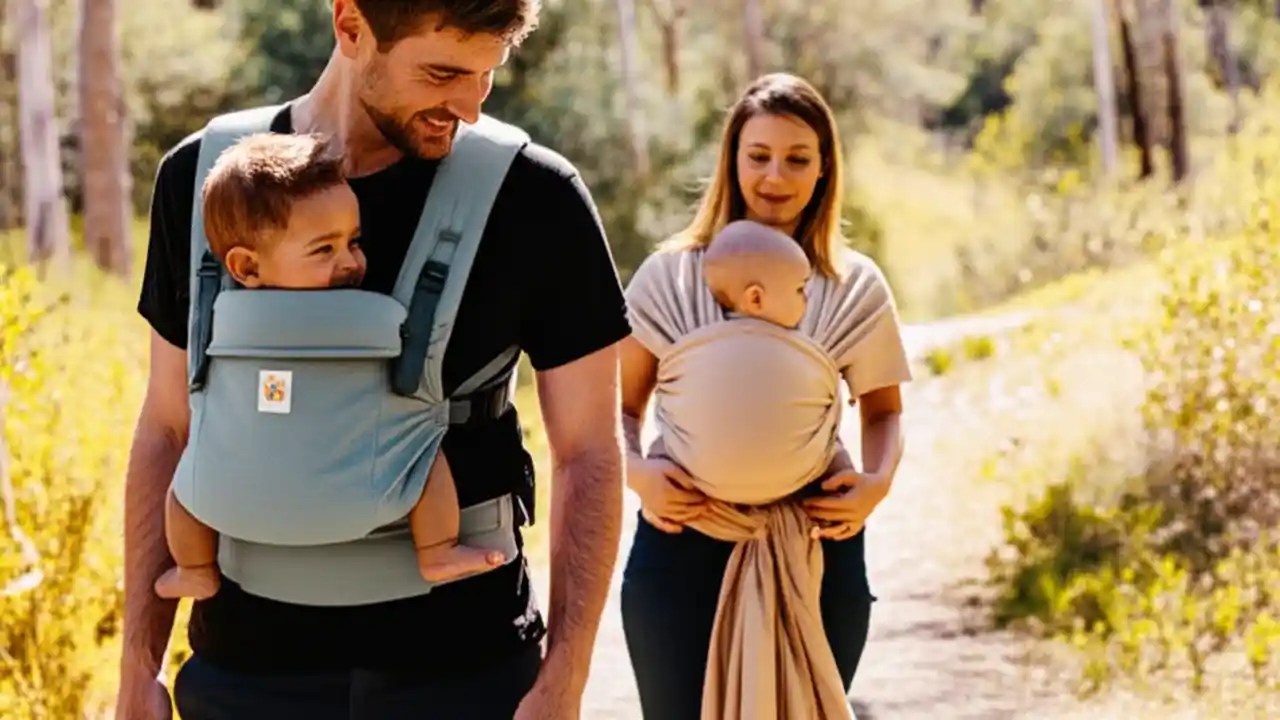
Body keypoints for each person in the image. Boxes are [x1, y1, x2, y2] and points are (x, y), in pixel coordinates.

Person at [118, 1, 629, 718]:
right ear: (351, 26)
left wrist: (565, 679)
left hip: (466, 671)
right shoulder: (204, 182)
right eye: (443, 72)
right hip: (246, 669)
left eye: (487, 75)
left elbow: (589, 453)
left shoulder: (536, 197)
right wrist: (137, 667)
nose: (470, 108)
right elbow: (168, 427)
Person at [619, 72, 913, 719]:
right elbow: (619, 407)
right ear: (732, 161)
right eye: (758, 156)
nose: (775, 176)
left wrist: (877, 483)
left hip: (815, 551)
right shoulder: (669, 277)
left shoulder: (852, 285)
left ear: (823, 168)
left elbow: (885, 410)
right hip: (680, 551)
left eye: (796, 158)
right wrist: (639, 474)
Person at [153, 132, 505, 603]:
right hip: (366, 492)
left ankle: (195, 567)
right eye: (324, 249)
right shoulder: (369, 315)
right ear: (246, 268)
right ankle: (437, 549)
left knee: (185, 489)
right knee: (422, 449)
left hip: (229, 498)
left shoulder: (222, 317)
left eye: (353, 242)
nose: (351, 263)